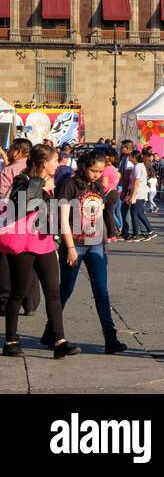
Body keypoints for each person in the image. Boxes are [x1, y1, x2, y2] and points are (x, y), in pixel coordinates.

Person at [1, 146, 80, 358]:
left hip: (44, 242)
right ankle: (10, 340)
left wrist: (58, 243)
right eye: (55, 161)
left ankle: (59, 340)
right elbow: (21, 204)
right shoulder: (22, 179)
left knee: (53, 290)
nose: (58, 164)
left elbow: (50, 216)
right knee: (18, 292)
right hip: (23, 243)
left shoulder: (51, 183)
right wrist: (42, 185)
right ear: (44, 163)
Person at [55, 150, 129, 355]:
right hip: (74, 244)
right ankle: (52, 331)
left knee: (101, 291)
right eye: (93, 170)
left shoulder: (97, 185)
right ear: (85, 166)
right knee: (66, 290)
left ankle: (110, 337)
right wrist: (69, 247)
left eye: (100, 171)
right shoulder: (70, 185)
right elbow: (63, 219)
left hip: (95, 243)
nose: (97, 174)